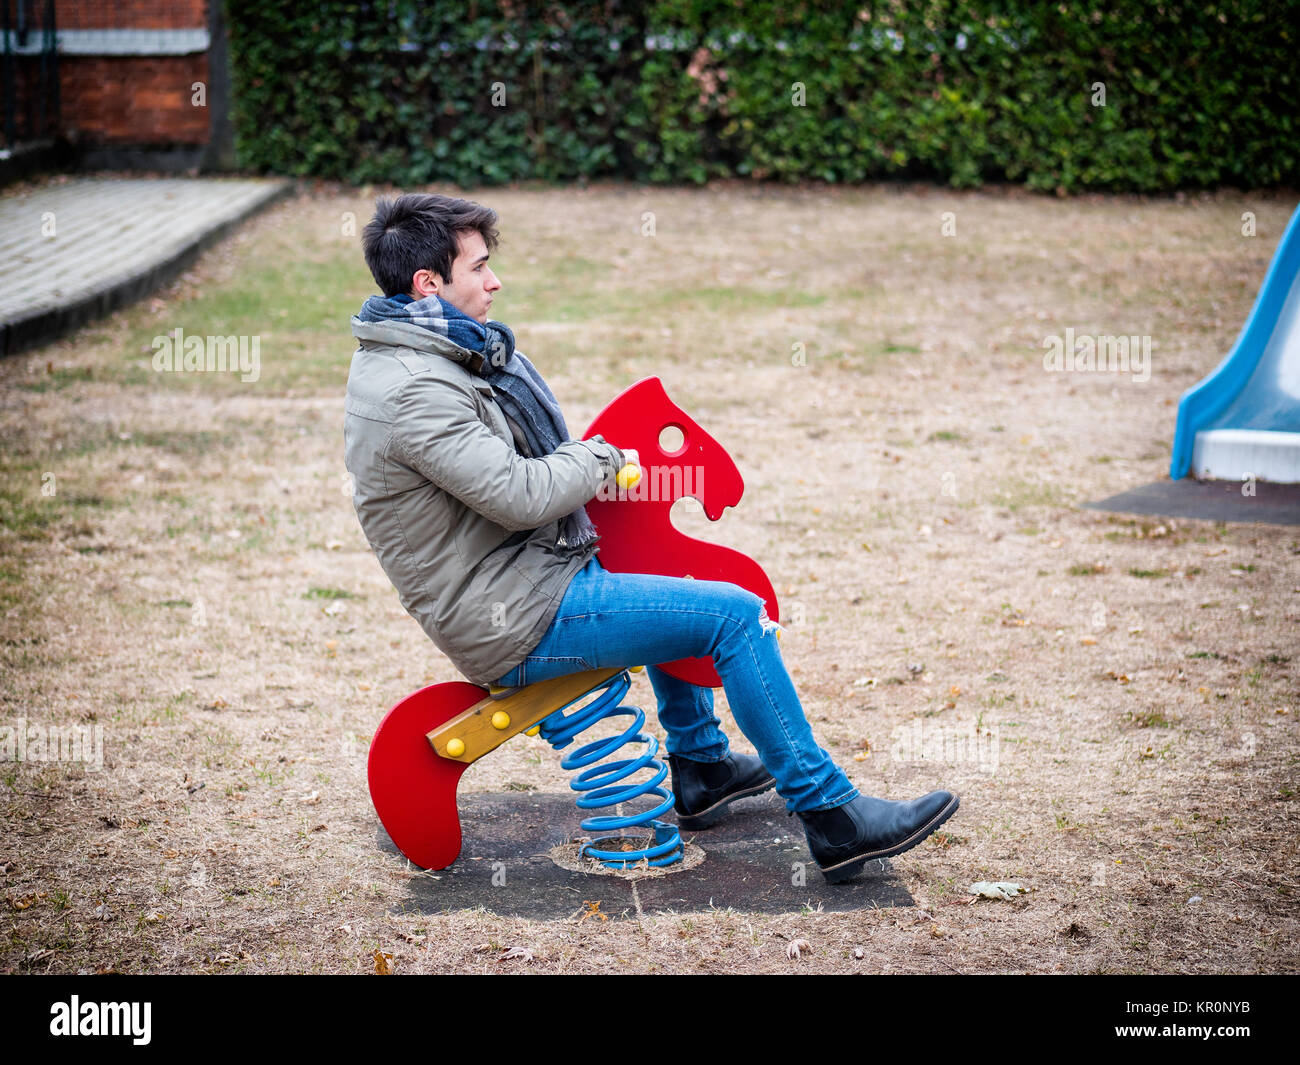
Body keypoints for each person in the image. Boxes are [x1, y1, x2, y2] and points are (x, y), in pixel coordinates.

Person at [344, 192, 958, 882]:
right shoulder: (418, 389)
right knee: (736, 617)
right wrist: (599, 457)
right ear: (428, 283)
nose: (495, 282)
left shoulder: (425, 356)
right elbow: (519, 495)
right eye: (479, 267)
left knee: (667, 570)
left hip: (523, 579)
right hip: (514, 614)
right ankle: (833, 817)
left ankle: (701, 766)